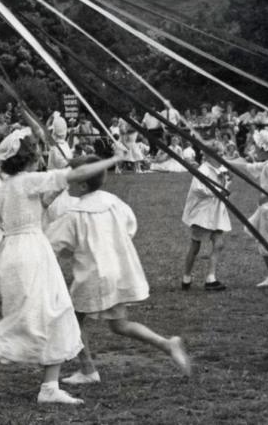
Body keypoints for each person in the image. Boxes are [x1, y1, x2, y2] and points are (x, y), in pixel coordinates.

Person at [0, 128, 124, 405]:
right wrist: (114, 159)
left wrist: (54, 189)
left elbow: (34, 207)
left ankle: (49, 386)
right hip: (30, 253)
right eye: (36, 154)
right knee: (34, 318)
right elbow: (78, 174)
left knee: (53, 311)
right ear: (29, 159)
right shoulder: (27, 181)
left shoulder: (6, 185)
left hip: (18, 252)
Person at [46, 155, 191, 384]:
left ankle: (88, 370)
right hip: (119, 271)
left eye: (70, 178)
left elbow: (52, 244)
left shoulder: (74, 214)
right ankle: (166, 344)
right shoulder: (113, 201)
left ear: (81, 185)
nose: (66, 183)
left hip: (93, 275)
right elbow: (130, 226)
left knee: (73, 321)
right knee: (120, 325)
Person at [224, 130, 268, 288]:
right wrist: (226, 161)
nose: (254, 150)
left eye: (257, 147)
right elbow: (248, 167)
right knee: (263, 240)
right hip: (266, 208)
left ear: (265, 149)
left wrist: (265, 199)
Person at [180, 154, 232, 291]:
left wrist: (226, 184)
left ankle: (211, 278)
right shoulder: (203, 169)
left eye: (223, 153)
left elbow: (225, 185)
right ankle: (186, 277)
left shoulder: (221, 168)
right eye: (219, 154)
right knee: (195, 246)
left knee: (219, 244)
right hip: (202, 213)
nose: (222, 157)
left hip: (216, 212)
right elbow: (198, 189)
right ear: (210, 156)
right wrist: (218, 191)